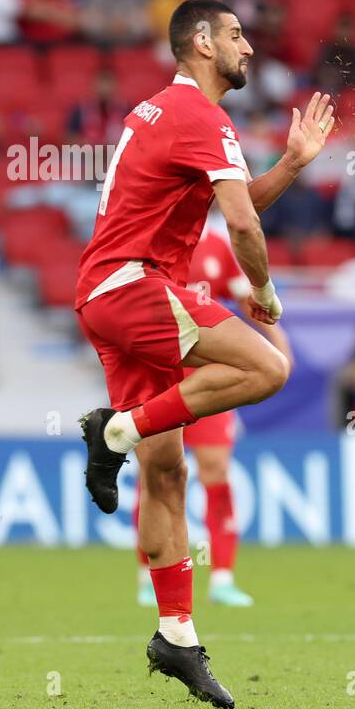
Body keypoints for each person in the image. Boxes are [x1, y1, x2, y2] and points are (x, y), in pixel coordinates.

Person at [74, 0, 335, 709]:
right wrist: (265, 293)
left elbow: (239, 199)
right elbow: (242, 223)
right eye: (237, 35)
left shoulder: (166, 113)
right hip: (135, 286)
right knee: (267, 366)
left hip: (109, 293)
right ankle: (114, 431)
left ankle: (177, 636)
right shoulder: (200, 115)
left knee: (167, 475)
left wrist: (291, 162)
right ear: (200, 41)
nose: (248, 48)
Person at [133, 217, 290, 609]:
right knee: (156, 470)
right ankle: (146, 574)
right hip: (160, 374)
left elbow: (247, 302)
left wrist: (279, 346)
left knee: (215, 470)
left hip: (210, 378)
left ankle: (222, 577)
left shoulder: (219, 244)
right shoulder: (152, 239)